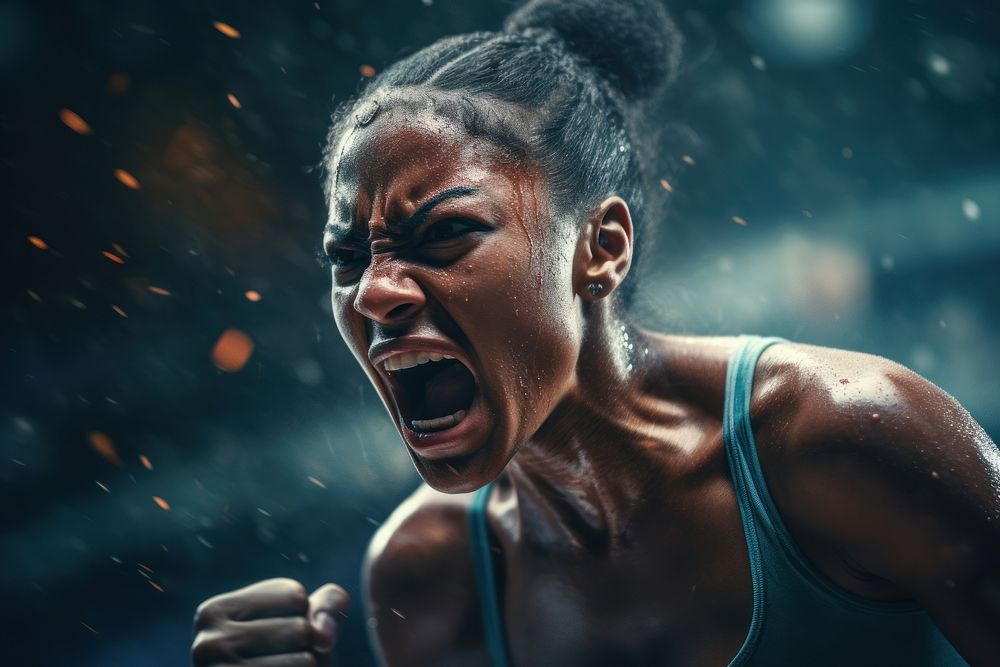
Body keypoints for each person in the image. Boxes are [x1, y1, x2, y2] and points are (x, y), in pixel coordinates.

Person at [190, 0, 1000, 664]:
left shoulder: (849, 435)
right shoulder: (430, 577)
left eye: (442, 234)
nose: (373, 291)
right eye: (346, 257)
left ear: (600, 249)